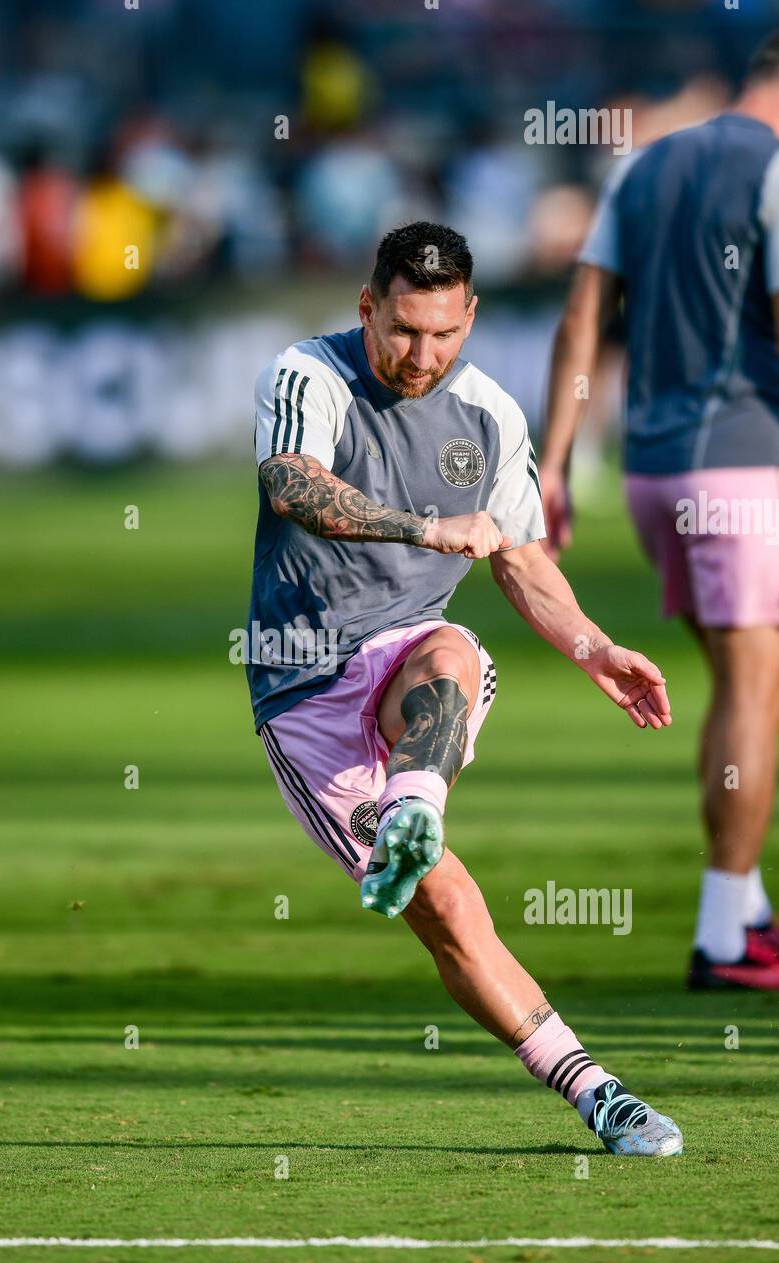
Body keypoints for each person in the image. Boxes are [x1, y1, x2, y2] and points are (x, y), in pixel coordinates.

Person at [247, 221, 681, 1157]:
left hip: (408, 651)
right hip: (305, 688)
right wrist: (424, 529)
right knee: (447, 912)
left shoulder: (489, 412)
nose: (421, 354)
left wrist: (593, 647)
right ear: (369, 305)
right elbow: (292, 483)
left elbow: (521, 556)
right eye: (403, 329)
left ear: (471, 316)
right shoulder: (307, 375)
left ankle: (415, 806)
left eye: (444, 333)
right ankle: (581, 1079)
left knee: (449, 647)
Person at [539, 25, 779, 991]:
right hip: (742, 467)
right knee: (755, 693)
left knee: (733, 684)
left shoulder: (647, 166)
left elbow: (582, 318)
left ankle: (740, 912)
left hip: (652, 472)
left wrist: (556, 460)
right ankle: (723, 936)